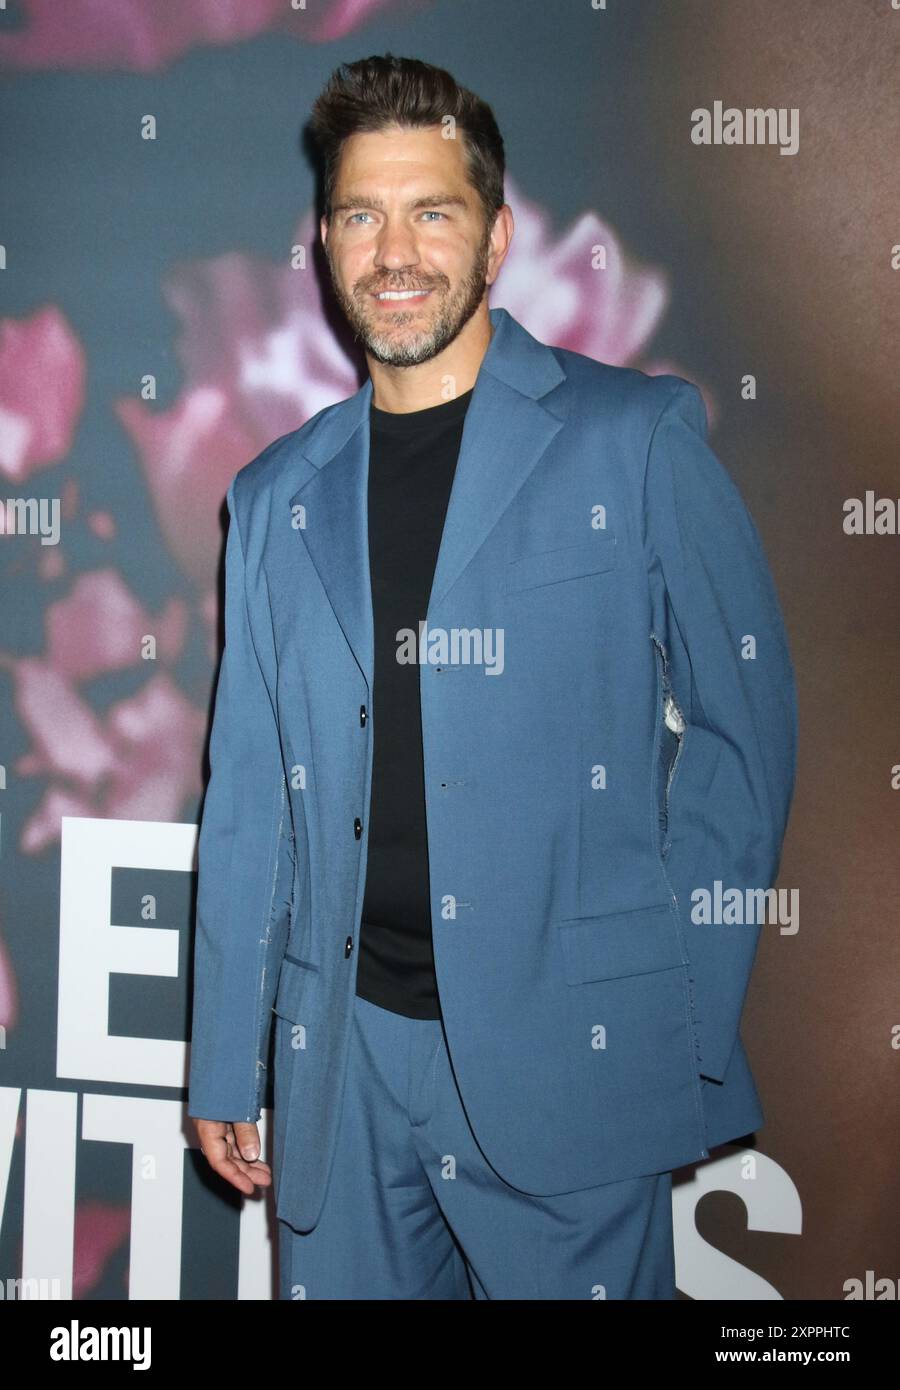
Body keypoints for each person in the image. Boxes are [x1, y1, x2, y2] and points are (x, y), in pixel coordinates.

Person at [188, 53, 798, 1300]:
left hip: (570, 1055)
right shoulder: (271, 499)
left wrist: (662, 1014)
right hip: (342, 1070)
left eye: (433, 212)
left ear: (499, 237)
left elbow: (745, 737)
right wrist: (220, 1062)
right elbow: (250, 796)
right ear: (324, 242)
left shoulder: (634, 438)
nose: (394, 250)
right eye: (362, 214)